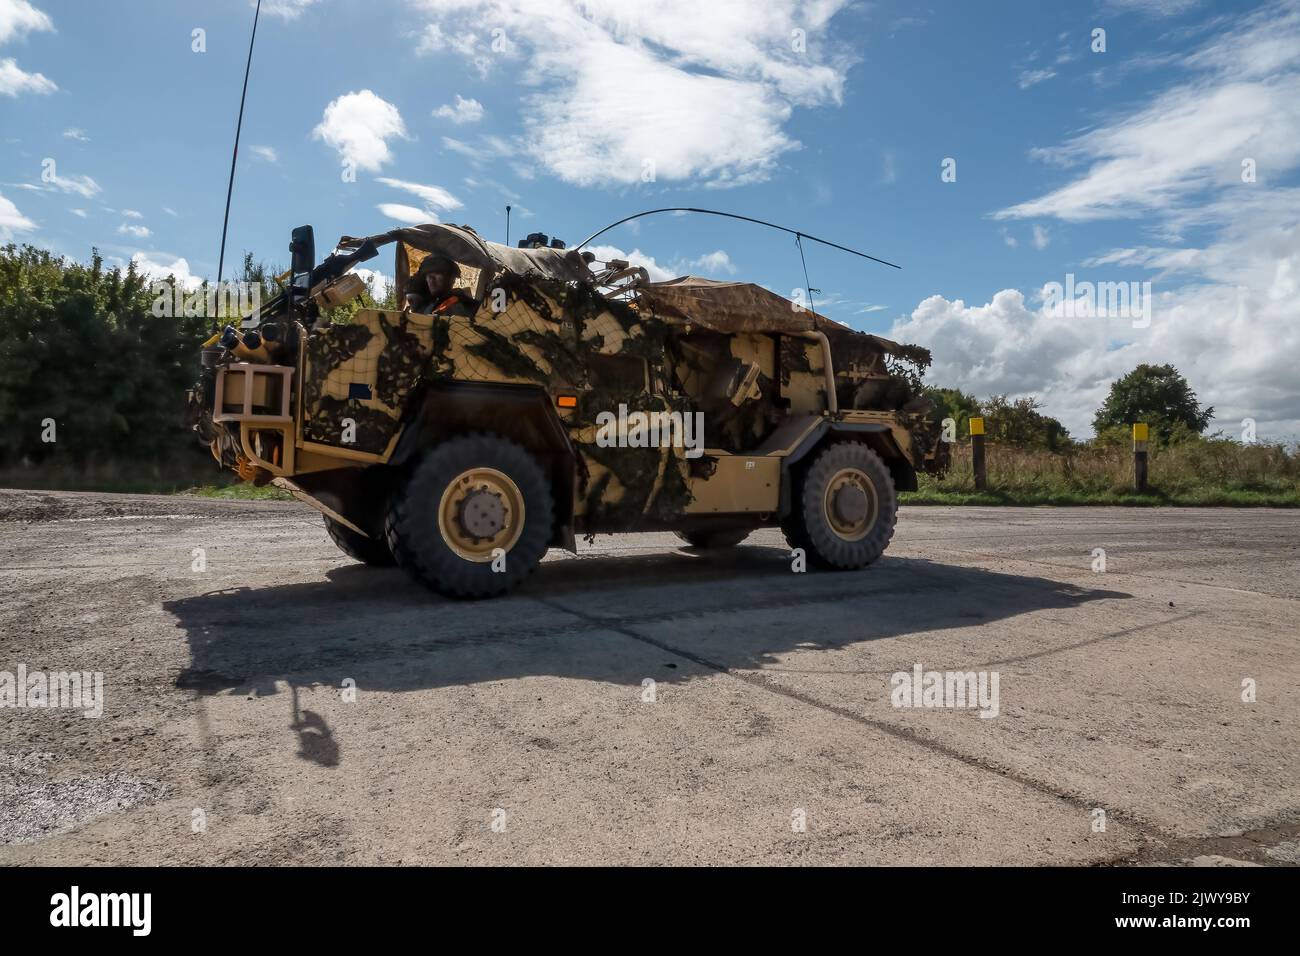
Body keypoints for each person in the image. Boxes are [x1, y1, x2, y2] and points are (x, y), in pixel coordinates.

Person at [405, 255, 474, 317]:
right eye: (429, 276)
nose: (431, 280)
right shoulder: (428, 306)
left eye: (436, 275)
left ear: (451, 279)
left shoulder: (459, 305)